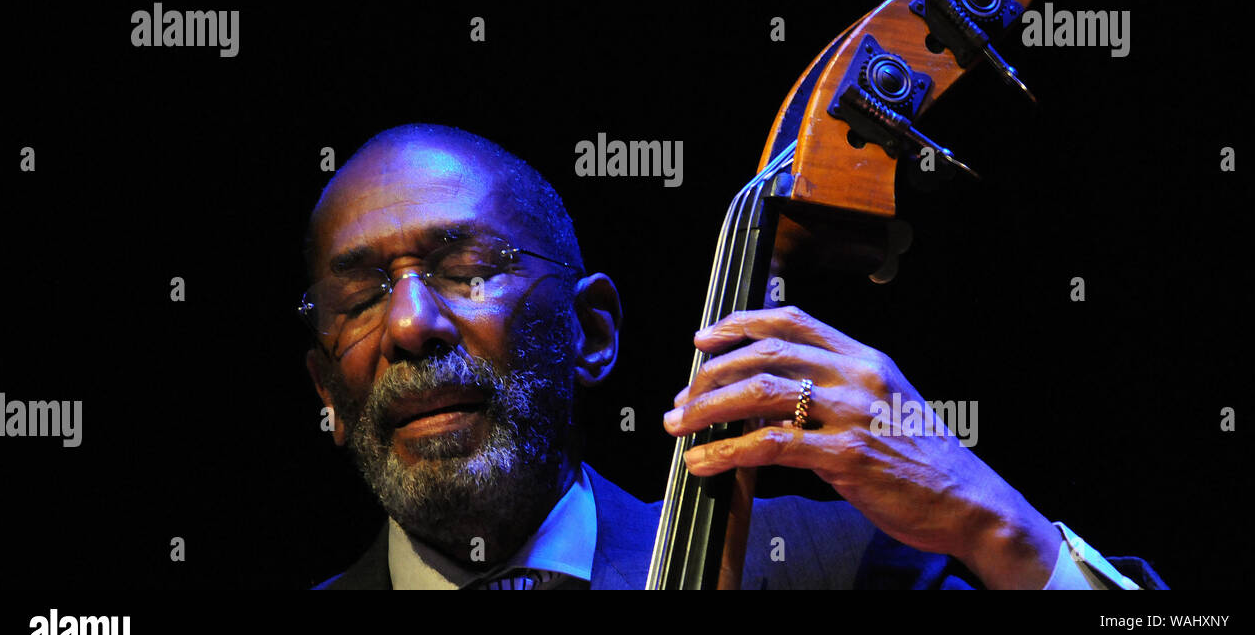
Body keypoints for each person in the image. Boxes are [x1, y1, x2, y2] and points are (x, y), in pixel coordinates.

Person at [300, 124, 1166, 590]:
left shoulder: (839, 567)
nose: (412, 323)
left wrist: (996, 523)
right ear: (326, 394)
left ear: (590, 333)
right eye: (362, 297)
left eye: (467, 270)